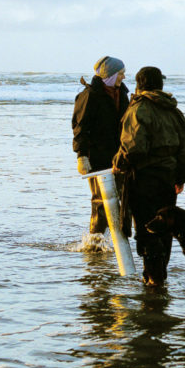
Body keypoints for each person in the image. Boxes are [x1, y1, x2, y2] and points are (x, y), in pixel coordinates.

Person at [112, 67, 185, 286]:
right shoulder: (174, 111)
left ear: (139, 84)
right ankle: (158, 276)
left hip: (144, 178)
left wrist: (118, 164)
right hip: (168, 178)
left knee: (147, 229)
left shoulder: (139, 108)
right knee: (164, 229)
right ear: (160, 84)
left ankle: (153, 279)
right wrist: (181, 177)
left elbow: (134, 147)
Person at [72, 56, 129, 235]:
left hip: (118, 156)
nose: (124, 77)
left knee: (118, 200)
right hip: (96, 157)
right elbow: (80, 127)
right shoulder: (89, 96)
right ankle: (95, 244)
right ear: (110, 75)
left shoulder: (123, 94)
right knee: (101, 201)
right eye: (121, 73)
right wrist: (81, 156)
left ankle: (109, 244)